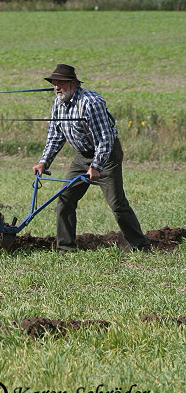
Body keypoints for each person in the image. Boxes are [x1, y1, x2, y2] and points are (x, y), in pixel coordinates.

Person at [31, 64, 151, 253]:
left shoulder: (90, 103)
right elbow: (55, 136)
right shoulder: (58, 104)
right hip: (82, 157)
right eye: (54, 84)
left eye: (60, 83)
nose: (56, 88)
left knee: (117, 204)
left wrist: (96, 166)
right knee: (65, 200)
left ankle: (141, 246)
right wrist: (44, 161)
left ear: (73, 83)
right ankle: (65, 249)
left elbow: (105, 139)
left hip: (107, 156)